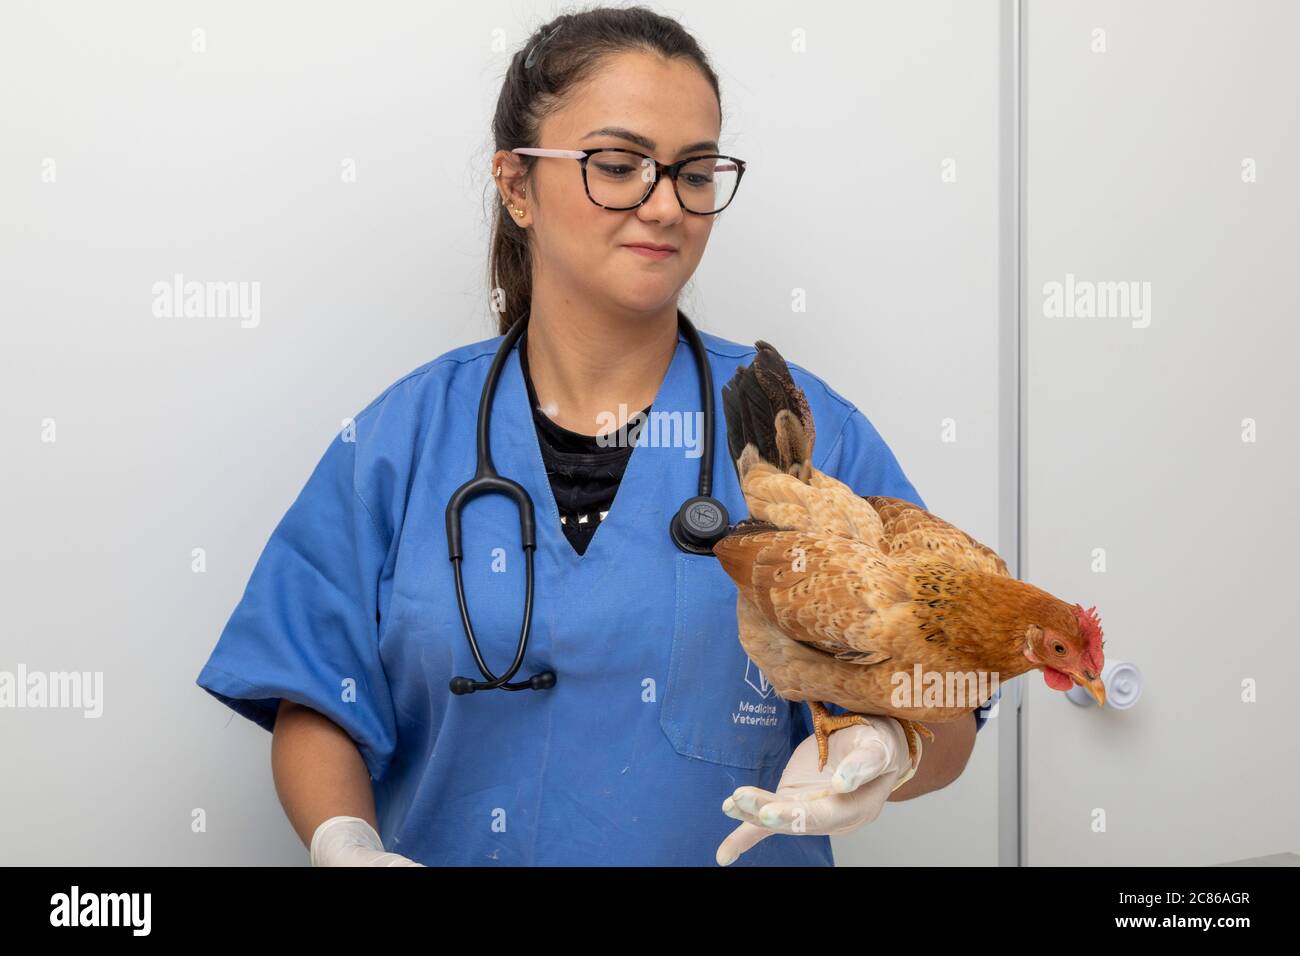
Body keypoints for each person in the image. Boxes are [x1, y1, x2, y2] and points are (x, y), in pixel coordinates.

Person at [195, 6, 994, 868]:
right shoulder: (403, 438)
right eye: (618, 166)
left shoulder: (799, 434)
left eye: (694, 173)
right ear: (514, 185)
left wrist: (892, 751)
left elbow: (946, 700)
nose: (666, 205)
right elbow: (317, 699)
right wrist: (343, 843)